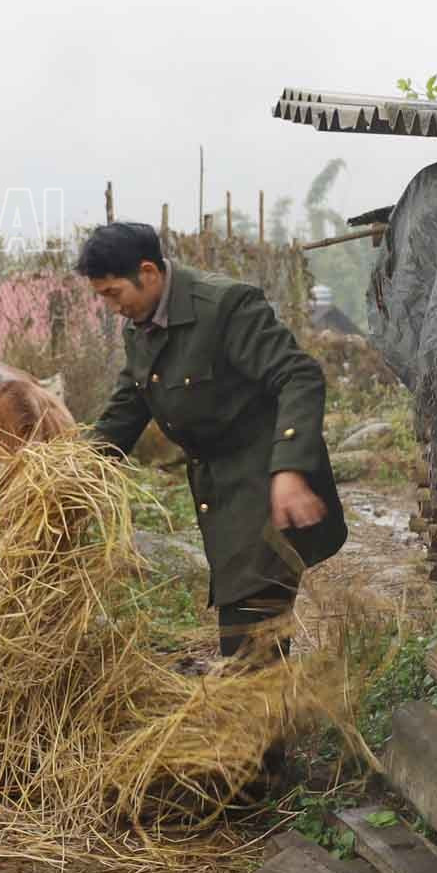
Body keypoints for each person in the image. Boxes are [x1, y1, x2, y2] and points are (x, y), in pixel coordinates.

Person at [79, 221, 346, 661]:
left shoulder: (225, 306)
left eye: (112, 293)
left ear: (147, 273)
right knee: (244, 622)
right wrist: (73, 475)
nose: (111, 307)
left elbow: (298, 376)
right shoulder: (140, 326)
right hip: (220, 490)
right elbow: (128, 406)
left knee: (250, 627)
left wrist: (290, 470)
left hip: (265, 482)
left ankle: (262, 723)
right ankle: (266, 717)